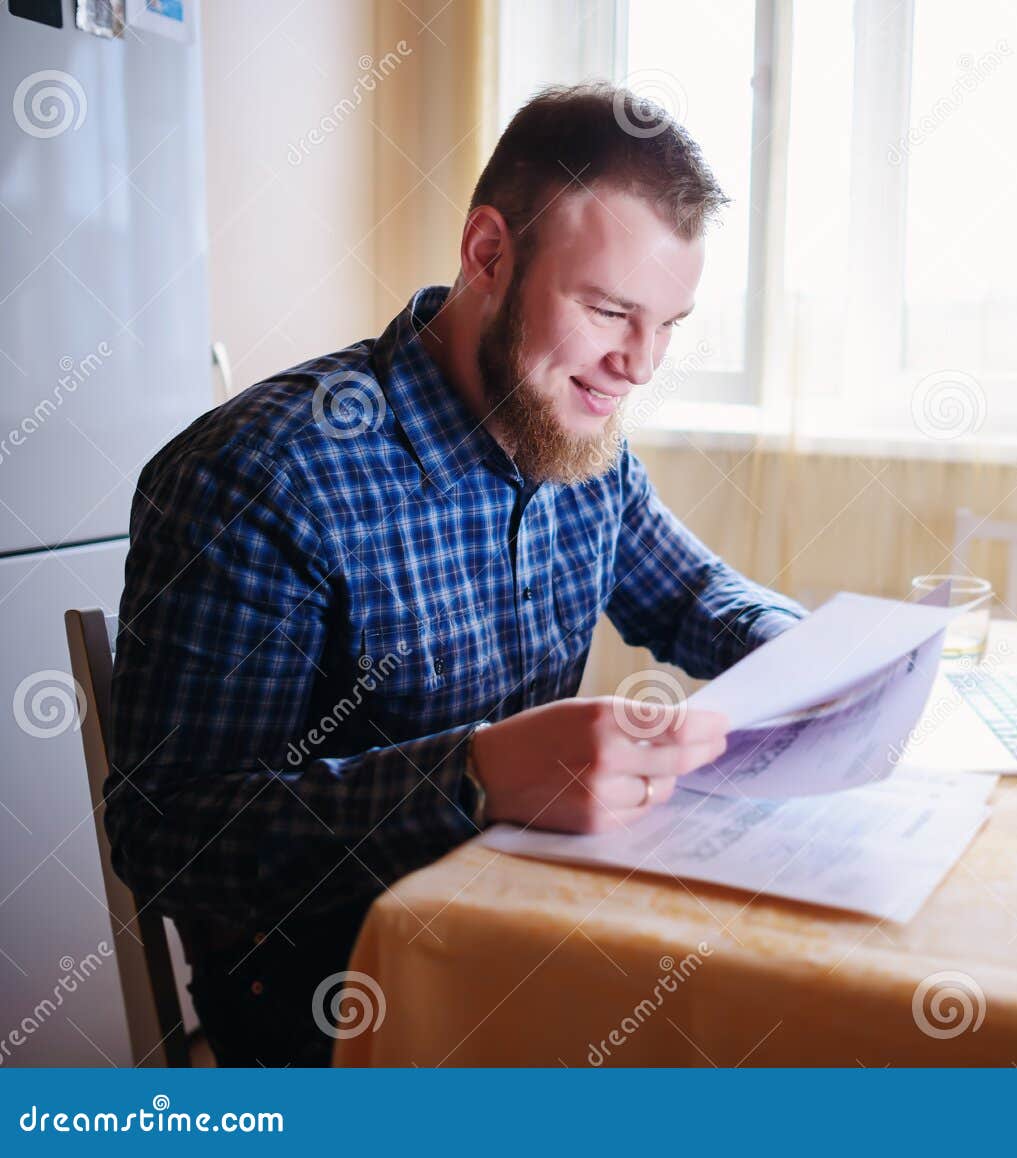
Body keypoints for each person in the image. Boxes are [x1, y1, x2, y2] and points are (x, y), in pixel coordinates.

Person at [105, 85, 803, 1067]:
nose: (639, 365)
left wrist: (808, 652)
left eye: (668, 324)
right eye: (609, 310)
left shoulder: (580, 443)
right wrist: (473, 777)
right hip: (347, 1010)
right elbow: (166, 838)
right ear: (487, 255)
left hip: (533, 937)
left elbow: (696, 597)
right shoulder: (263, 475)